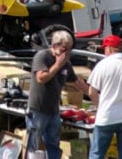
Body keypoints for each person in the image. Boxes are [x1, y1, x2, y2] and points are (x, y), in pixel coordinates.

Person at [29, 29, 84, 159]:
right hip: (38, 109)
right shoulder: (42, 56)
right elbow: (41, 78)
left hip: (53, 111)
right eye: (64, 49)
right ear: (54, 46)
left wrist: (93, 93)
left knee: (54, 144)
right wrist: (57, 65)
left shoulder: (67, 64)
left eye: (70, 49)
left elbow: (76, 81)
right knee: (33, 144)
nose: (67, 53)